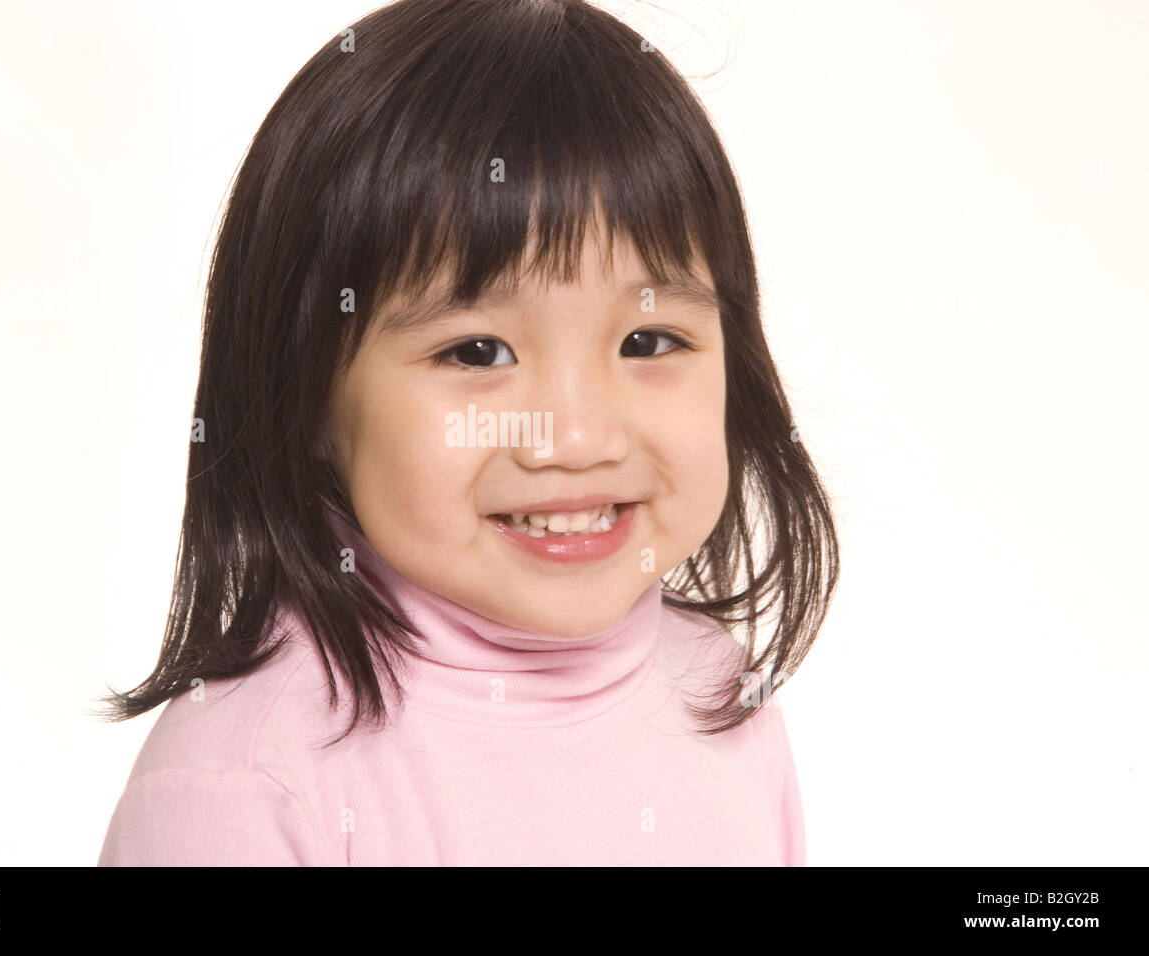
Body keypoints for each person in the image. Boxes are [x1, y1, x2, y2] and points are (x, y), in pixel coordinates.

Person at [94, 0, 839, 866]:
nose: (574, 437)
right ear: (303, 400)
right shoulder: (247, 784)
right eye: (477, 350)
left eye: (648, 341)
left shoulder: (720, 691)